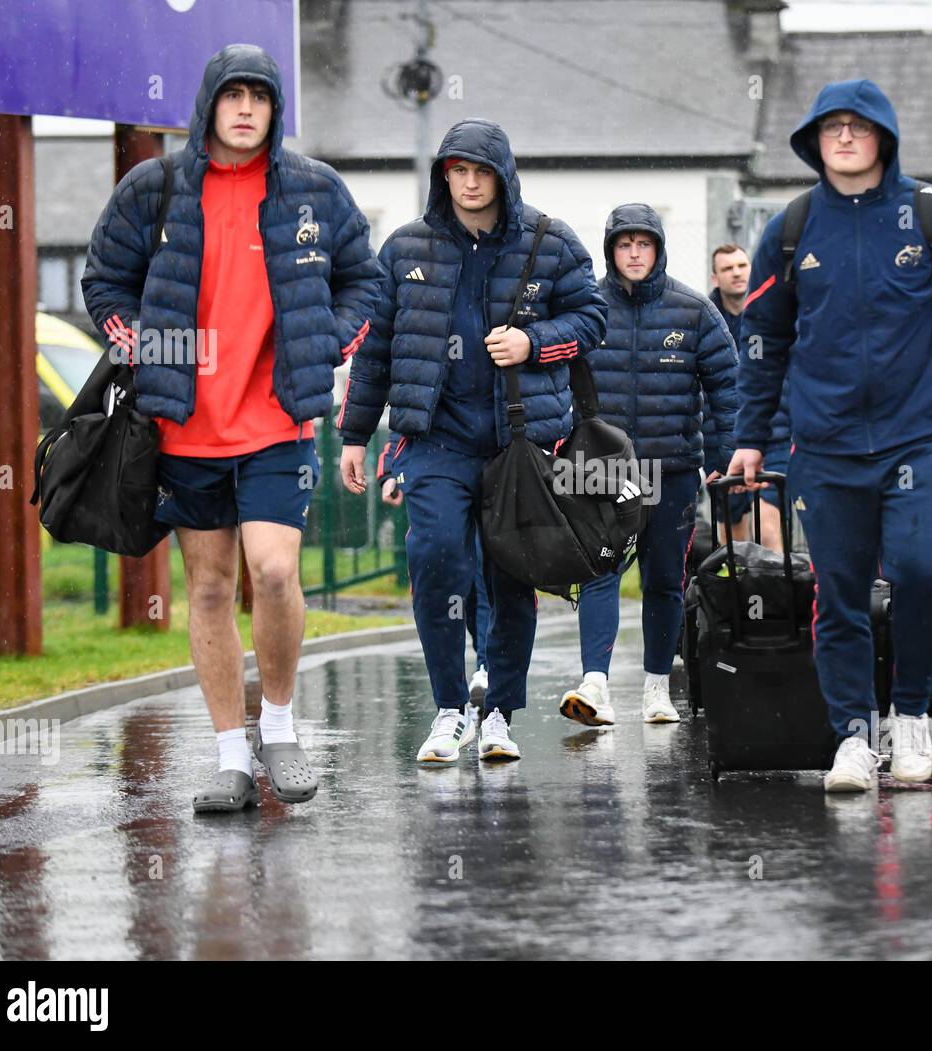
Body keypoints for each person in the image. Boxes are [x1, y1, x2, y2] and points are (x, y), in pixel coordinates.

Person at [81, 45, 381, 814]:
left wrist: (330, 342)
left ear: (276, 110)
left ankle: (277, 724)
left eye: (260, 96)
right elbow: (104, 280)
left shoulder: (314, 189)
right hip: (185, 427)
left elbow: (365, 278)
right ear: (209, 104)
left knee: (275, 572)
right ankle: (229, 760)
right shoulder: (156, 189)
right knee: (210, 587)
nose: (246, 109)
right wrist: (147, 349)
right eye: (232, 95)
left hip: (278, 419)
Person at [727, 79, 932, 791]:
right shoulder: (790, 228)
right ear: (815, 141)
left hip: (920, 440)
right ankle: (855, 737)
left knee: (923, 571)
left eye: (859, 126)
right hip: (824, 447)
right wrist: (751, 437)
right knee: (841, 591)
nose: (845, 138)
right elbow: (763, 340)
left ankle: (911, 712)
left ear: (884, 135)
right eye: (832, 128)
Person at [338, 119, 607, 763]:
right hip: (435, 439)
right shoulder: (405, 248)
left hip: (521, 443)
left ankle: (499, 717)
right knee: (436, 561)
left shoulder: (551, 243)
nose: (468, 183)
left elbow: (592, 320)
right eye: (456, 171)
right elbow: (375, 350)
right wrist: (353, 436)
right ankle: (449, 709)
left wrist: (533, 343)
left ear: (503, 175)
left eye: (480, 171)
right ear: (443, 176)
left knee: (511, 577)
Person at [559, 204, 737, 727]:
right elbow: (553, 374)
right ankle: (595, 685)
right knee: (600, 573)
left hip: (673, 468)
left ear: (658, 249)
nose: (634, 254)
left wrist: (723, 455)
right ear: (611, 249)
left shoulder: (694, 310)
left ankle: (657, 689)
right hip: (600, 470)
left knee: (662, 580)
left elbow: (727, 386)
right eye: (624, 244)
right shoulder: (585, 307)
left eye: (644, 244)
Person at [376, 440, 490, 706]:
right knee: (455, 587)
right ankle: (455, 693)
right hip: (438, 474)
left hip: (486, 462)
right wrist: (389, 470)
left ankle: (486, 666)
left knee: (485, 578)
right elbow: (406, 411)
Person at [705, 243, 791, 551]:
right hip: (725, 441)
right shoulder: (706, 321)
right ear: (715, 278)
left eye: (742, 265)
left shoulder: (775, 316)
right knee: (733, 540)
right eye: (728, 268)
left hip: (775, 436)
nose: (737, 273)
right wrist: (713, 454)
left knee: (767, 529)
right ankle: (739, 601)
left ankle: (775, 599)